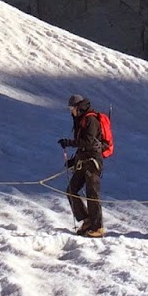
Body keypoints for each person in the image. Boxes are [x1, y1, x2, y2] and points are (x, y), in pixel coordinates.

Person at [58, 93, 109, 237]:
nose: (71, 111)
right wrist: (74, 161)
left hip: (93, 162)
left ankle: (97, 227)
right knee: (71, 189)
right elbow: (84, 146)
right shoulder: (81, 120)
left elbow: (89, 143)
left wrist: (69, 143)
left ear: (78, 107)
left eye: (72, 108)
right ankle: (87, 221)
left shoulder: (91, 120)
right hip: (84, 160)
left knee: (92, 194)